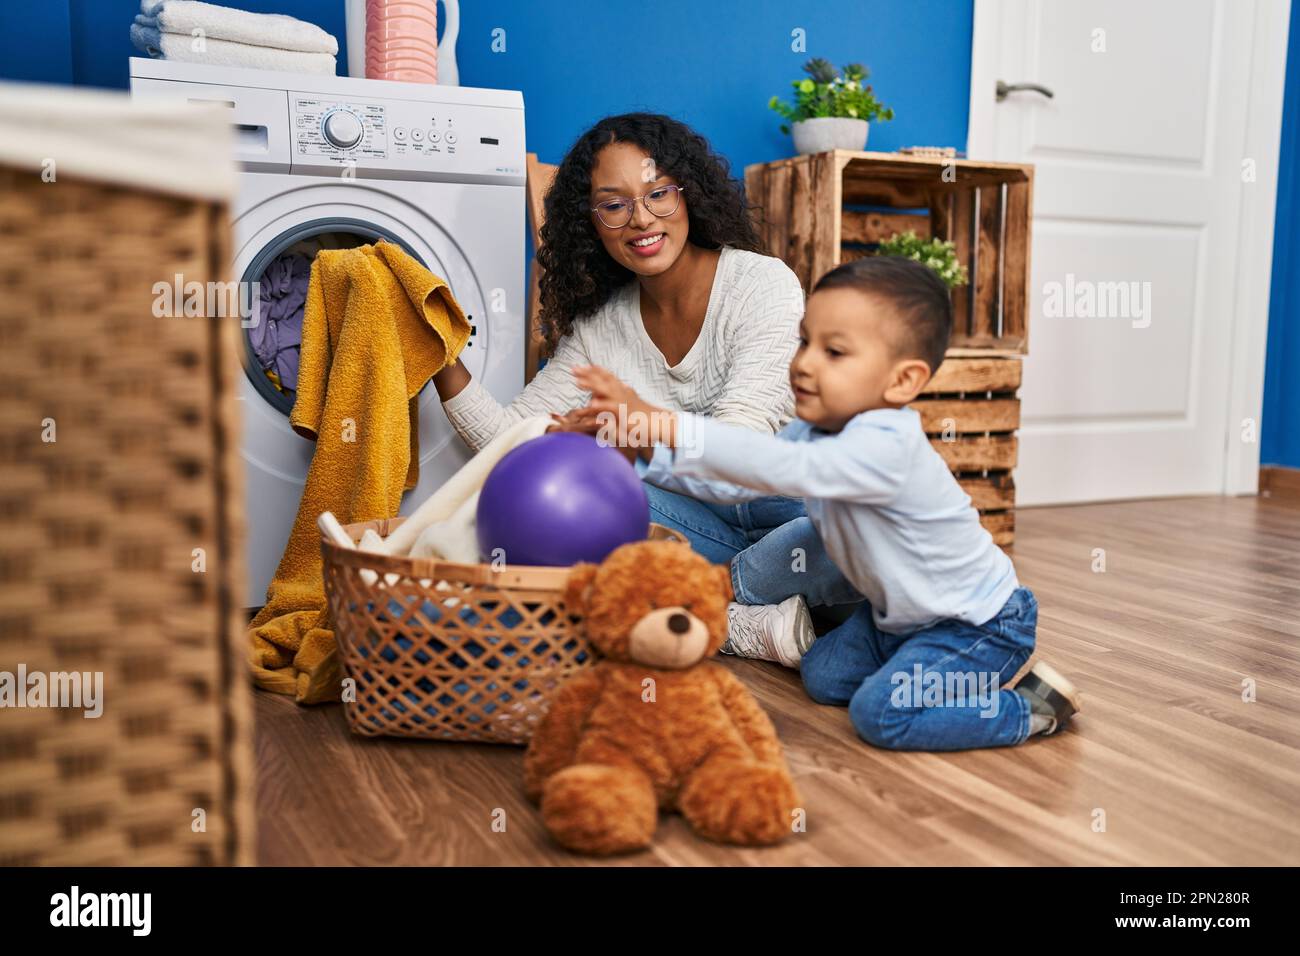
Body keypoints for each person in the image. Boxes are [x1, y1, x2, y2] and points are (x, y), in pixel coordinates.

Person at [569, 256, 1081, 750]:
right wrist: (639, 453)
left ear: (903, 380)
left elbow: (775, 466)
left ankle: (1027, 710)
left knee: (881, 714)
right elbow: (739, 486)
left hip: (980, 623)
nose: (805, 364)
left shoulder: (885, 447)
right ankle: (927, 672)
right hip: (896, 621)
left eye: (834, 353)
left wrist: (659, 420)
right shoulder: (814, 431)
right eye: (805, 343)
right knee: (823, 677)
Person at [432, 112, 860, 663]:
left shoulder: (761, 283)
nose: (641, 219)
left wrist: (630, 433)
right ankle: (752, 605)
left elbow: (742, 443)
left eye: (658, 192)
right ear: (590, 222)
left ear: (688, 194)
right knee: (580, 486)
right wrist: (437, 354)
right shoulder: (599, 328)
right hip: (704, 533)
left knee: (844, 525)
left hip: (782, 504)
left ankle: (715, 610)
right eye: (614, 204)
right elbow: (512, 440)